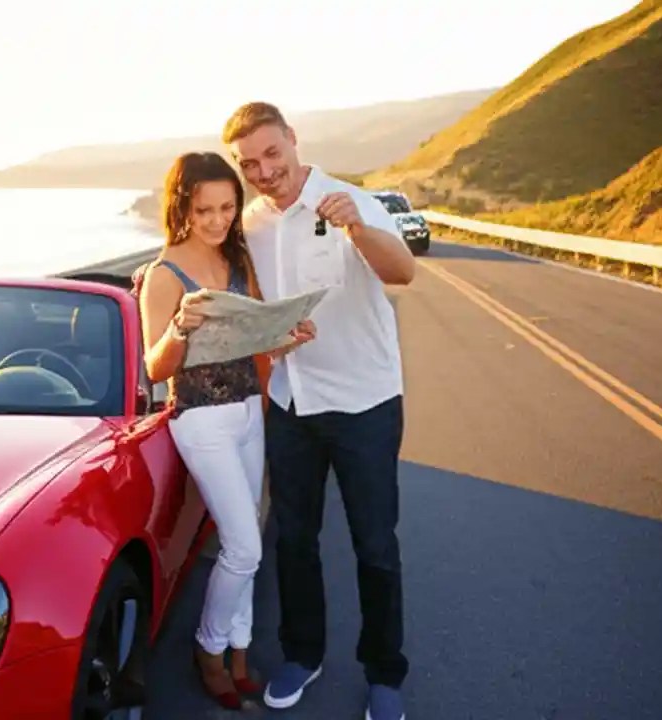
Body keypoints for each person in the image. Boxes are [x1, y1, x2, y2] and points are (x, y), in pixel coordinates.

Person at [221, 101, 417, 720]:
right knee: (295, 542)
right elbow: (253, 304)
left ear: (293, 141)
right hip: (291, 402)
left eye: (272, 154)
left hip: (364, 401)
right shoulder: (250, 221)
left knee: (374, 546)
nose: (264, 171)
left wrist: (357, 226)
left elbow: (403, 271)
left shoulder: (347, 199)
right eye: (249, 163)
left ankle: (385, 675)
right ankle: (302, 655)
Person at [138, 151, 316, 710]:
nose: (218, 220)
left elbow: (256, 339)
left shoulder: (237, 258)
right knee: (241, 545)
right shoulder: (165, 273)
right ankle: (209, 648)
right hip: (200, 421)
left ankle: (240, 649)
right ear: (182, 208)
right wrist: (178, 327)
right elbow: (155, 368)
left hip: (247, 412)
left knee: (252, 542)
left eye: (227, 207)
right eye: (205, 210)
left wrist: (288, 338)